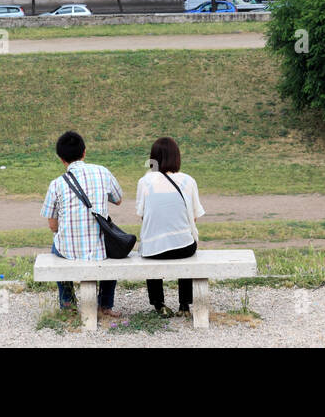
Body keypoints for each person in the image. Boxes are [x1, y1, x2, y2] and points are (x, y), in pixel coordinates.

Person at [40, 130, 123, 316]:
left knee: (57, 247)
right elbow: (118, 199)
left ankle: (68, 304)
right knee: (112, 248)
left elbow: (53, 226)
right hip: (99, 250)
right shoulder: (102, 172)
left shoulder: (56, 184)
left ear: (61, 159)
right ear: (84, 152)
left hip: (68, 251)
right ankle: (105, 305)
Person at [136, 136, 204, 317]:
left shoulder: (145, 182)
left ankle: (159, 304)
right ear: (176, 157)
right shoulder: (188, 181)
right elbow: (194, 218)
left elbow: (142, 216)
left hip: (153, 250)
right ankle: (184, 305)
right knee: (185, 240)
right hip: (184, 248)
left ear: (154, 158)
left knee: (151, 241)